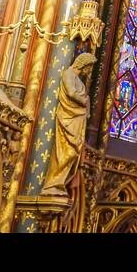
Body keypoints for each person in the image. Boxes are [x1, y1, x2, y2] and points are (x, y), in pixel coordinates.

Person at [42, 52, 96, 196]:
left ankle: (59, 184)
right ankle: (52, 183)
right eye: (89, 67)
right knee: (68, 152)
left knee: (73, 153)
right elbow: (71, 93)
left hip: (77, 119)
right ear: (83, 64)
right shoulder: (69, 74)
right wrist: (85, 101)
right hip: (68, 118)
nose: (90, 71)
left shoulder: (78, 79)